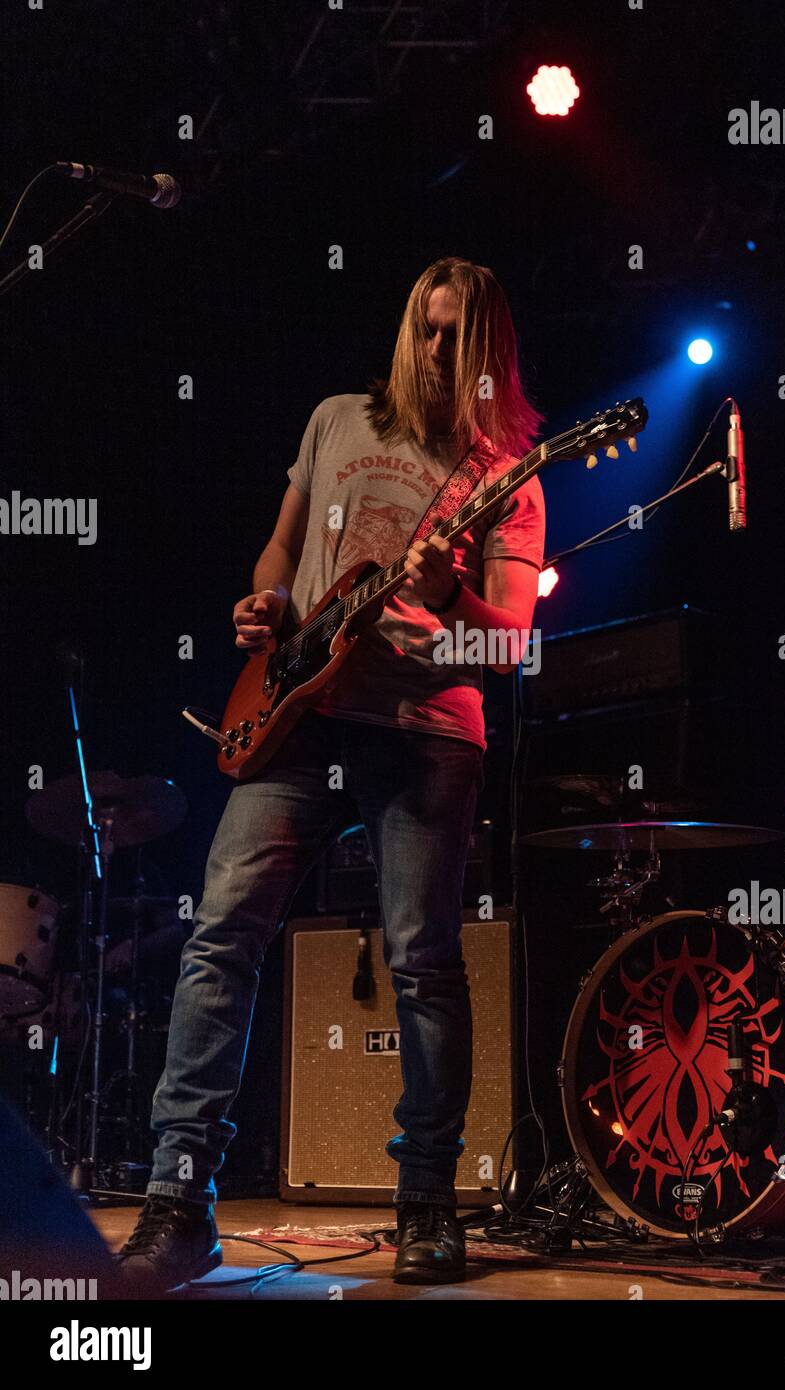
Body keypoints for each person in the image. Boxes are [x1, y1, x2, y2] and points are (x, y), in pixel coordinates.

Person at [116, 256, 546, 1289]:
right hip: (294, 712)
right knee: (221, 932)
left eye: (460, 337)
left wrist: (447, 602)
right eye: (429, 330)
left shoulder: (507, 475)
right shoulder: (336, 420)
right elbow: (279, 550)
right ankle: (179, 1201)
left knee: (422, 960)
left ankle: (427, 1201)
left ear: (492, 352)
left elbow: (510, 642)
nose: (441, 352)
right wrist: (264, 606)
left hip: (424, 727)